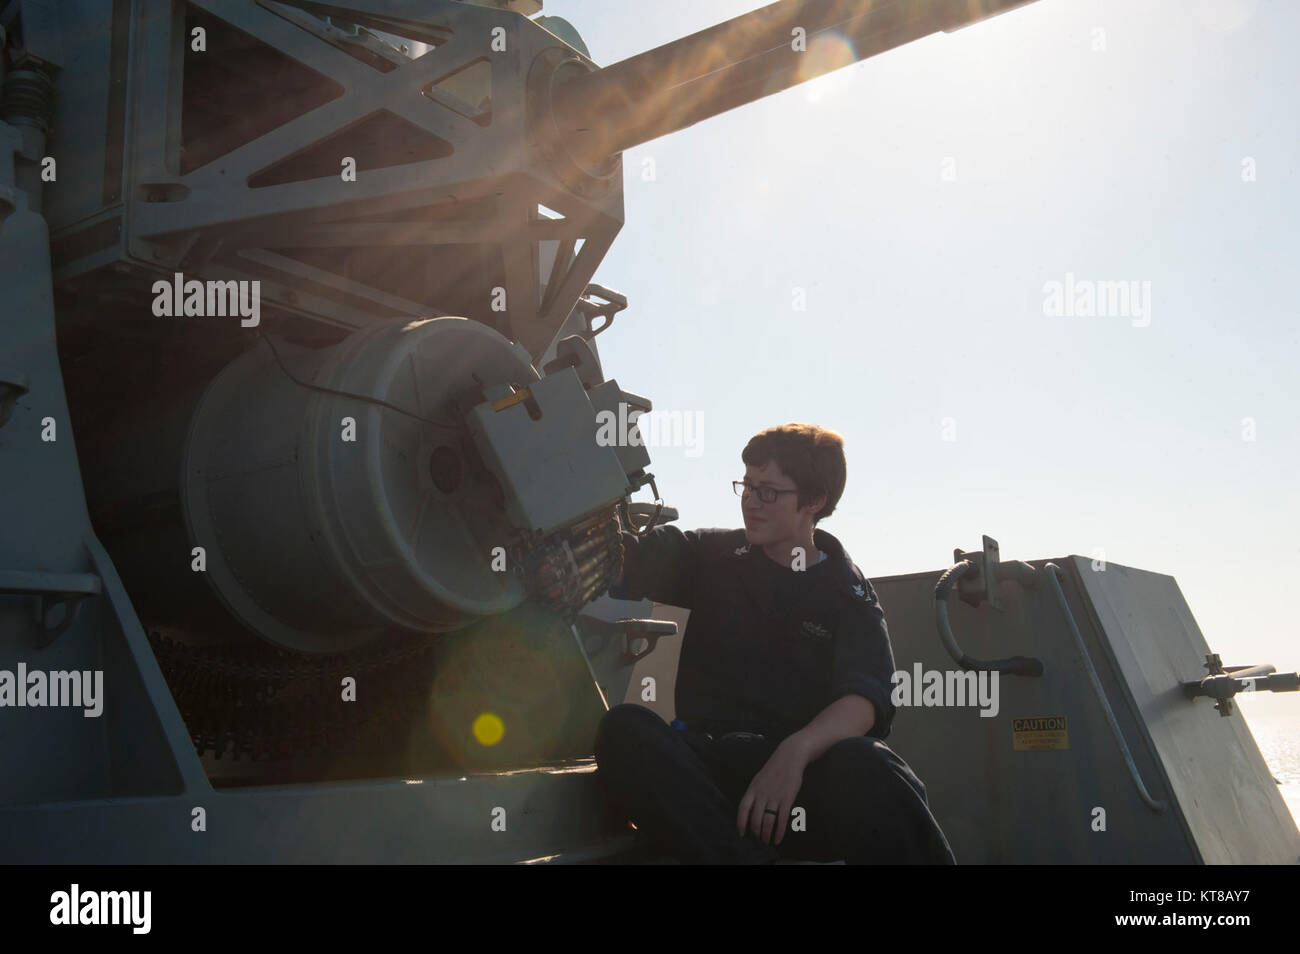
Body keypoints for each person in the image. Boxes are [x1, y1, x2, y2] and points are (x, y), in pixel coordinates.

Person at [593, 423, 955, 864]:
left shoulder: (845, 590)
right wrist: (587, 549)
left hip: (794, 789)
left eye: (768, 492)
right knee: (626, 731)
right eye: (746, 486)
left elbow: (866, 697)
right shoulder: (710, 556)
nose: (750, 501)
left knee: (875, 768)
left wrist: (793, 754)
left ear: (814, 501)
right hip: (713, 775)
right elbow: (628, 558)